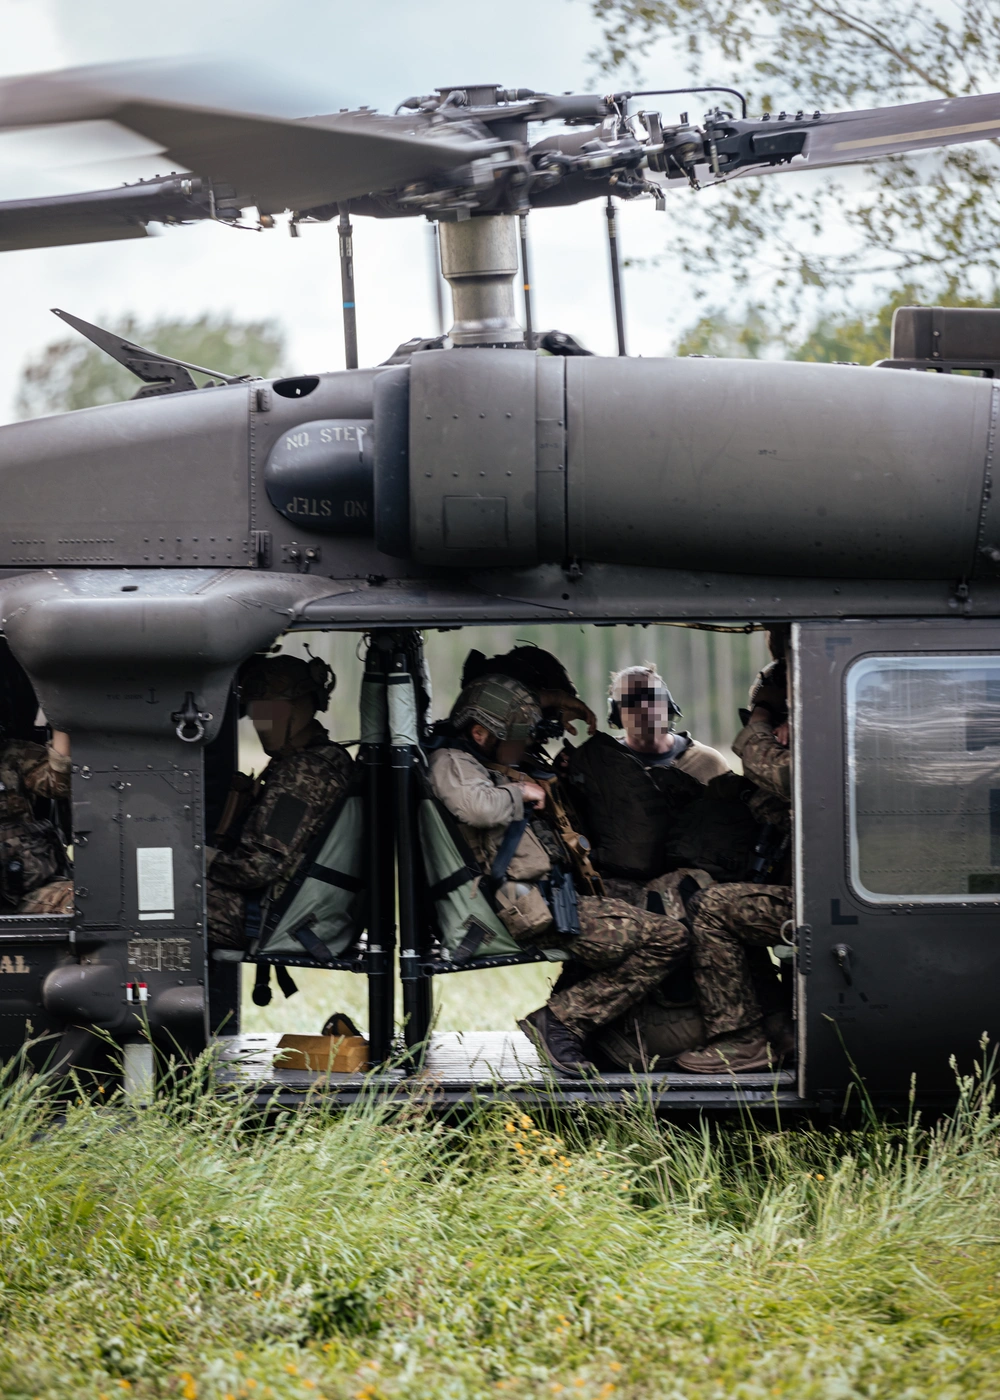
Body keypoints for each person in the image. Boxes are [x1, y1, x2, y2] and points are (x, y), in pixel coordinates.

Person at [427, 673, 691, 1076]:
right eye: (517, 739)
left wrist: (550, 698)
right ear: (481, 734)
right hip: (525, 906)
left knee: (650, 897)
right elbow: (476, 807)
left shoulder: (480, 757)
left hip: (545, 892)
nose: (525, 747)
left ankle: (585, 1023)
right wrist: (522, 794)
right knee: (669, 939)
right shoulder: (453, 761)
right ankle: (562, 1022)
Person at [674, 629, 794, 1073]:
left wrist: (762, 716)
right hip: (816, 886)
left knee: (710, 909)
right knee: (736, 900)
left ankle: (741, 1041)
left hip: (823, 900)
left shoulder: (817, 730)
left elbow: (780, 775)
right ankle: (783, 1031)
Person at [207, 653, 354, 950]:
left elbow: (258, 868)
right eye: (255, 713)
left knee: (159, 896)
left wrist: (199, 860)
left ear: (300, 709)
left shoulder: (303, 773)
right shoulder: (322, 761)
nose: (260, 723)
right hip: (292, 909)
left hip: (270, 914)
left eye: (269, 711)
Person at [560, 663, 730, 891]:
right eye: (630, 702)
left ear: (668, 703)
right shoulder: (598, 766)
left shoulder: (707, 762)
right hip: (622, 885)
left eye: (652, 697)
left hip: (694, 886)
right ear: (617, 713)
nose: (644, 708)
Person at [0, 724, 73, 914]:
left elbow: (59, 785)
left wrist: (60, 720)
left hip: (27, 890)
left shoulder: (13, 755)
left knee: (81, 902)